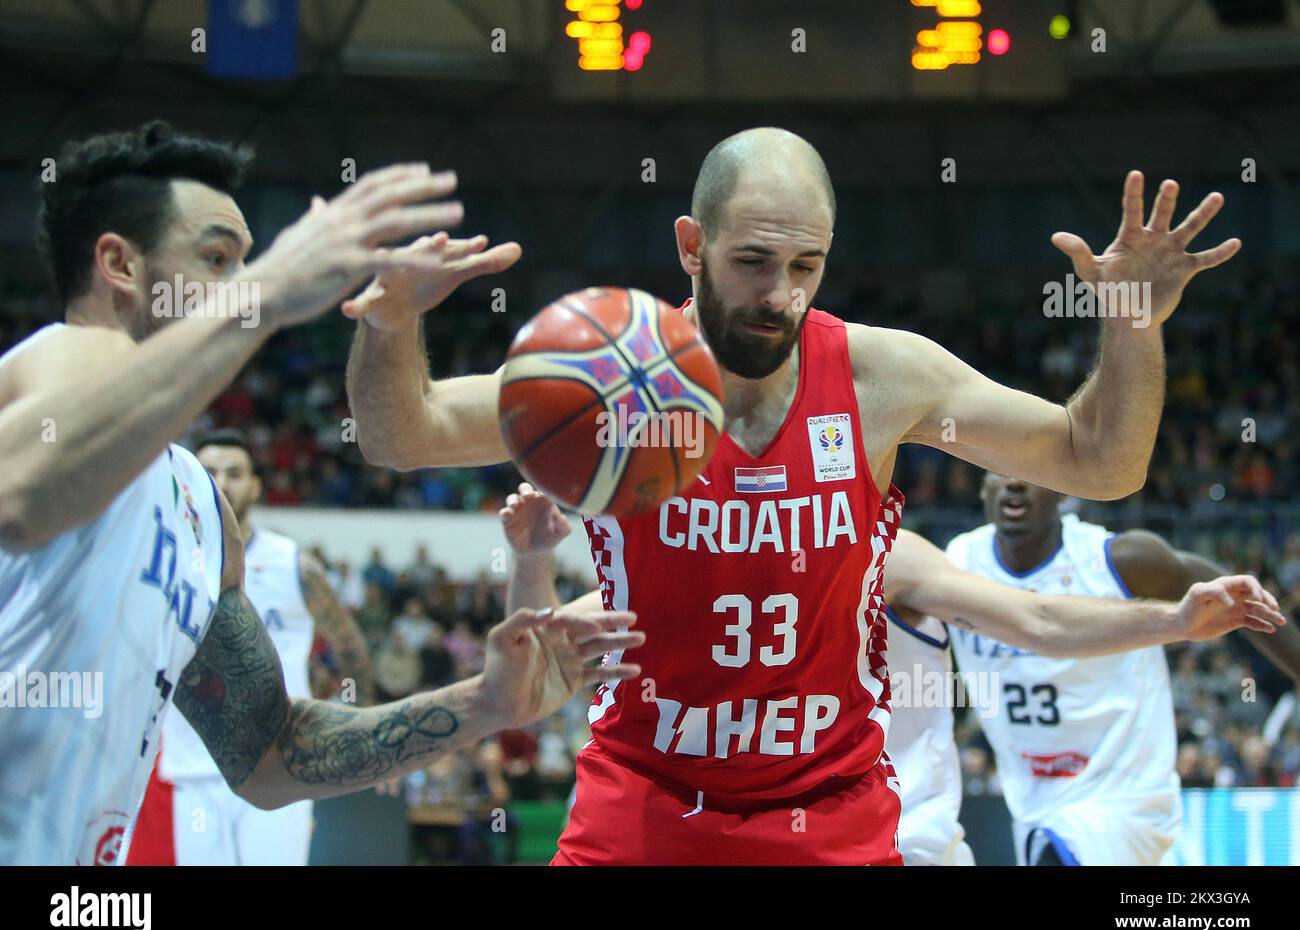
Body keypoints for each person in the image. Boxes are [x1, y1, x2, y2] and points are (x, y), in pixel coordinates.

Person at [345, 126, 1241, 865]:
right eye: (754, 261)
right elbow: (402, 434)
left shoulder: (880, 376)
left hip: (833, 809)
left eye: (807, 264)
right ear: (691, 246)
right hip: (646, 800)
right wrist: (390, 324)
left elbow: (1101, 463)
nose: (782, 295)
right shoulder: (614, 376)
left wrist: (1131, 327)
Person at [0, 120, 640, 864]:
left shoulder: (198, 506)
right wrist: (269, 294)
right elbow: (20, 498)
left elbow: (271, 753)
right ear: (119, 264)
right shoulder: (64, 359)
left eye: (247, 265)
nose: (238, 285)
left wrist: (484, 703)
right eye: (216, 260)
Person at [496, 482, 1284, 864]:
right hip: (764, 838)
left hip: (905, 838)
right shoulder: (704, 560)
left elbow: (1038, 619)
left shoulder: (896, 556)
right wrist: (532, 563)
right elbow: (541, 670)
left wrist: (1173, 622)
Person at [944, 473, 1300, 864]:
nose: (1014, 483)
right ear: (982, 487)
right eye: (999, 470)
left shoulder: (1120, 561)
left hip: (1124, 793)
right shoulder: (957, 565)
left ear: (1062, 488)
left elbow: (1244, 601)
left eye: (1029, 472)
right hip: (1032, 800)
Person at [127, 428, 374, 865]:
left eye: (235, 473)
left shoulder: (294, 565)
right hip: (193, 767)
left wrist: (361, 730)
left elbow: (351, 649)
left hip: (281, 765)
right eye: (210, 472)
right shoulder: (167, 563)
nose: (222, 483)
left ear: (256, 485)